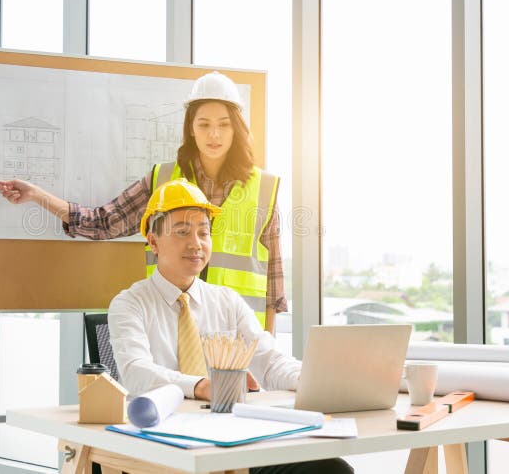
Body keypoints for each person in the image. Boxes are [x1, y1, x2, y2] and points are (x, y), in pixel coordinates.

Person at [0, 71, 285, 334]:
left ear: (236, 129)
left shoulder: (264, 189)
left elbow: (274, 291)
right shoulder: (162, 180)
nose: (214, 134)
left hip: (236, 347)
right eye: (204, 124)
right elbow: (103, 223)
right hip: (171, 336)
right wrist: (37, 195)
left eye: (223, 125)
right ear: (191, 129)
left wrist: (265, 359)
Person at [107, 179, 353, 474]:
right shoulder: (129, 303)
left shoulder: (226, 301)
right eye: (183, 232)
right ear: (154, 241)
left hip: (230, 443)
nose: (196, 243)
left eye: (203, 232)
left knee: (330, 469)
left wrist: (317, 381)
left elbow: (270, 362)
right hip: (162, 448)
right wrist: (200, 386)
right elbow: (135, 371)